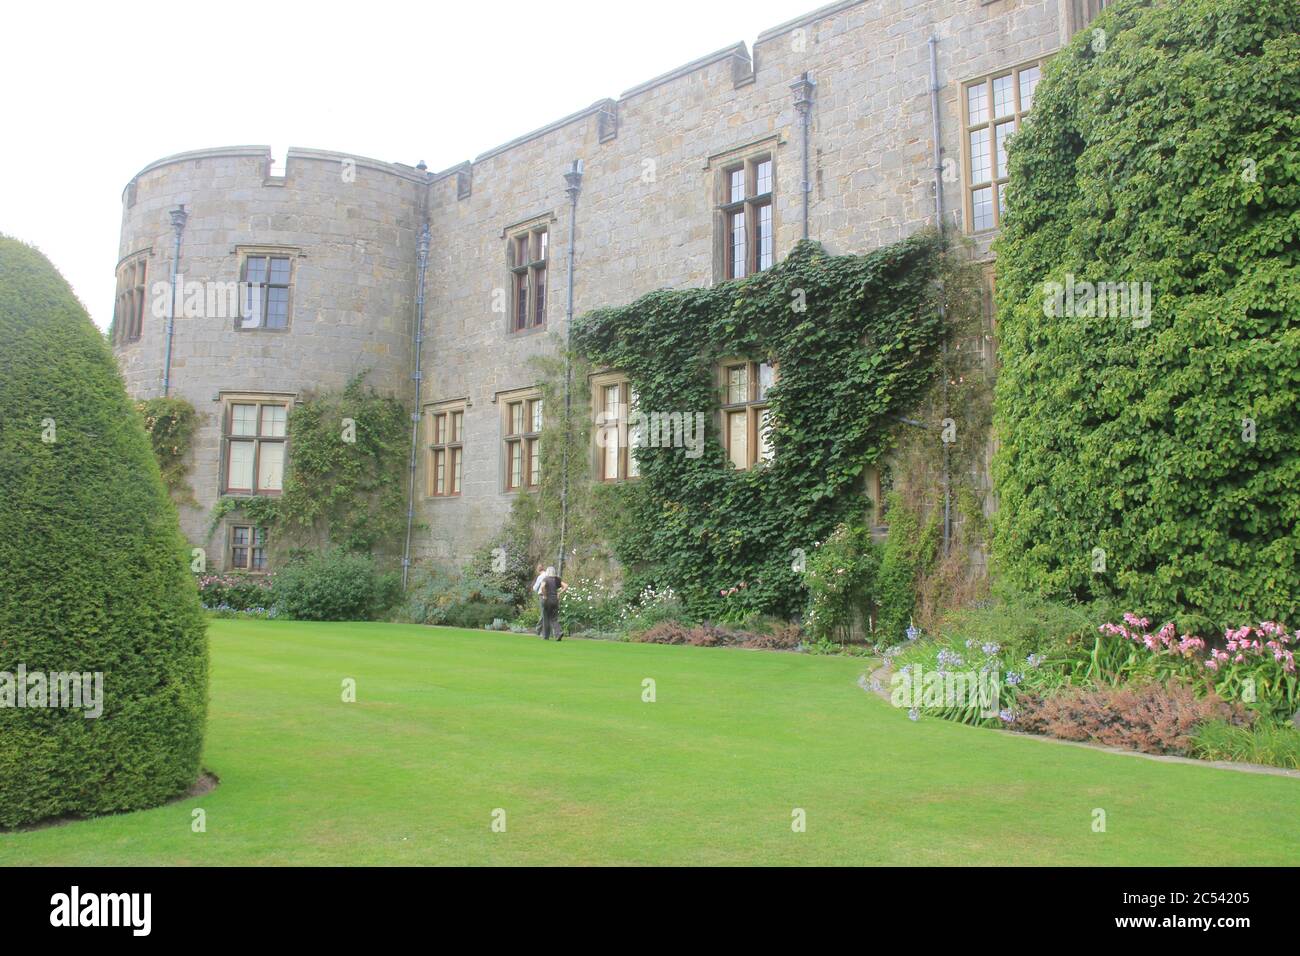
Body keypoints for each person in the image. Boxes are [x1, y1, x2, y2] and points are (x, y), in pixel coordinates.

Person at [539, 566, 566, 641]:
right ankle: (559, 633)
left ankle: (545, 636)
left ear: (547, 572)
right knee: (554, 618)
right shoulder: (557, 579)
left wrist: (544, 595)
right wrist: (559, 593)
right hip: (555, 600)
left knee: (546, 618)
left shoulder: (546, 579)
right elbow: (566, 586)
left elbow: (542, 587)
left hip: (547, 600)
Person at [531, 564, 547, 635]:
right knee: (547, 613)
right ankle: (543, 630)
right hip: (550, 595)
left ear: (538, 570)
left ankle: (538, 629)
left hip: (542, 595)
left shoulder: (540, 577)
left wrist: (534, 589)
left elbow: (535, 588)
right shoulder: (548, 575)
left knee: (543, 612)